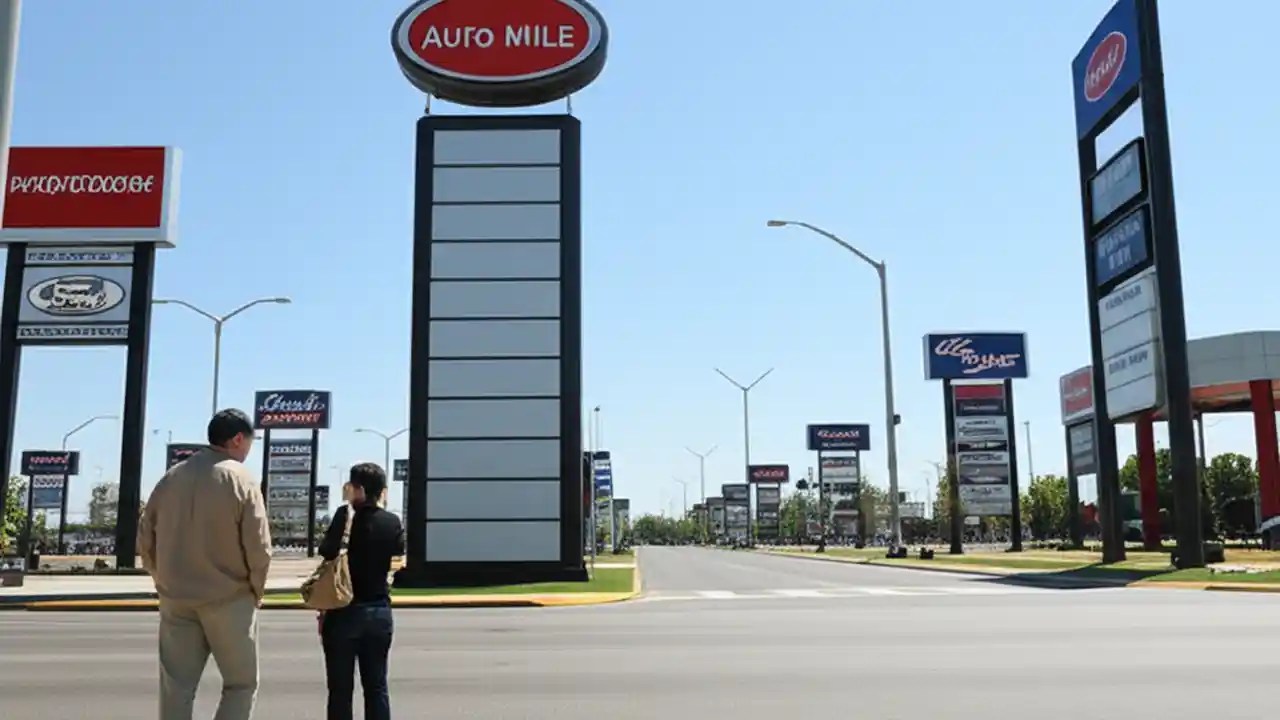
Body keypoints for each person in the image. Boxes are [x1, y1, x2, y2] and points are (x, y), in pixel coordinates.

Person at [138, 408, 271, 720]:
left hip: (176, 599)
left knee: (176, 688)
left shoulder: (171, 478)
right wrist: (257, 590)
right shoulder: (242, 480)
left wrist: (162, 580)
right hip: (229, 599)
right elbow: (259, 548)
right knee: (240, 684)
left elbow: (145, 540)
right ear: (238, 439)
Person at [318, 462, 405, 720]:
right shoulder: (392, 522)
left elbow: (327, 552)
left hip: (343, 611)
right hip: (379, 611)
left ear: (358, 489)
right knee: (377, 687)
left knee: (340, 690)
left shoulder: (344, 517)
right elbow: (397, 562)